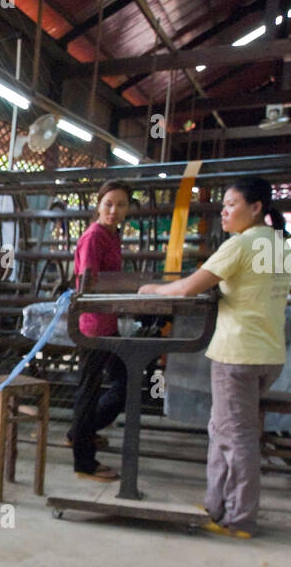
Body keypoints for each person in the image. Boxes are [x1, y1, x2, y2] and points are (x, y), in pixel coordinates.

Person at [139, 176, 289, 538]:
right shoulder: (280, 245)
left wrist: (152, 289)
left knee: (236, 436)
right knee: (226, 429)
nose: (224, 211)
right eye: (223, 205)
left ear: (255, 209)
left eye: (232, 204)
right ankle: (217, 506)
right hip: (268, 354)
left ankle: (239, 519)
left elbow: (189, 286)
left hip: (237, 354)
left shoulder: (241, 244)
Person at [67, 180, 133, 479]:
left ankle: (80, 431)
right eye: (108, 203)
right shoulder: (94, 236)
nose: (113, 210)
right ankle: (84, 461)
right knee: (89, 391)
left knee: (126, 381)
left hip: (109, 324)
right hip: (94, 327)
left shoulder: (112, 235)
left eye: (120, 204)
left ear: (128, 208)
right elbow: (89, 283)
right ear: (98, 205)